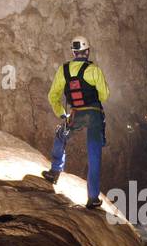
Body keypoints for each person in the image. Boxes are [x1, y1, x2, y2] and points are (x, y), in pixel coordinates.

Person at [41, 35, 109, 208]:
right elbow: (104, 95)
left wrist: (62, 115)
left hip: (75, 113)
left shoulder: (63, 70)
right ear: (87, 52)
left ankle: (54, 171)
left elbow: (53, 96)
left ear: (73, 52)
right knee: (94, 154)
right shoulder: (94, 70)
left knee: (61, 135)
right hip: (93, 113)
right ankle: (93, 198)